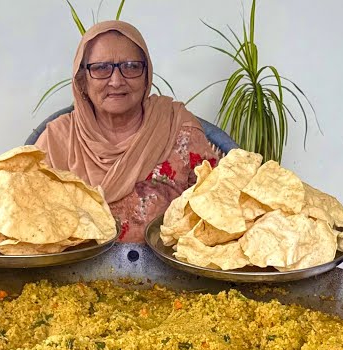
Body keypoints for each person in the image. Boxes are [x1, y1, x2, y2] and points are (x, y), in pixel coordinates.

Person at [35, 21, 222, 244]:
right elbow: (31, 220)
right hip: (72, 266)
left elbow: (219, 206)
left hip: (169, 266)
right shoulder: (55, 141)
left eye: (131, 67)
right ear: (82, 80)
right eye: (101, 68)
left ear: (146, 76)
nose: (116, 81)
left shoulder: (177, 126)